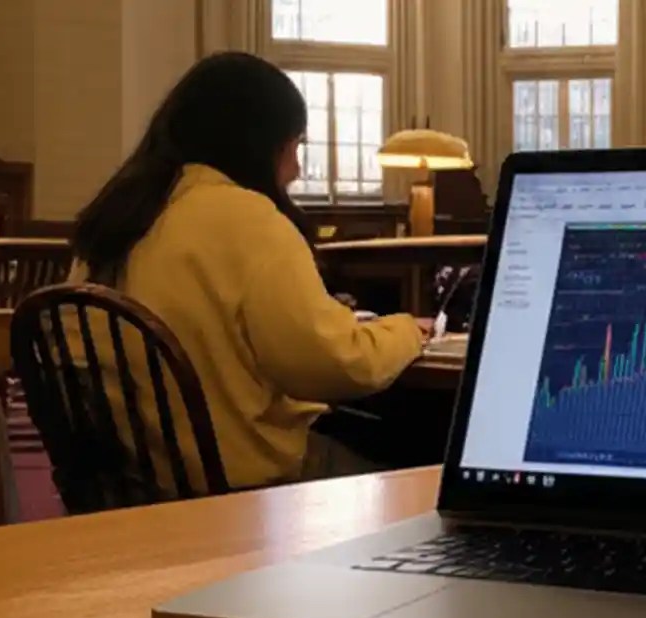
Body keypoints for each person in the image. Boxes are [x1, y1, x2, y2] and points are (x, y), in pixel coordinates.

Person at [68, 52, 426, 489]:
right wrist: (409, 330)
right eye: (295, 146)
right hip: (239, 484)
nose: (296, 170)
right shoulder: (246, 219)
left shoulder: (116, 218)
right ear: (262, 144)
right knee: (425, 461)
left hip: (131, 483)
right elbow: (335, 363)